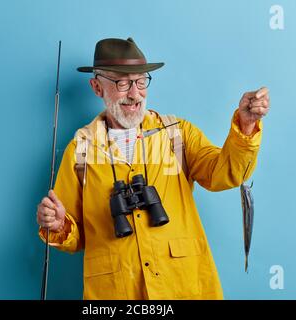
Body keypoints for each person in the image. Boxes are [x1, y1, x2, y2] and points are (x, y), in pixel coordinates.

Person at [36, 37, 270, 299]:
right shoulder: (80, 149)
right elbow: (74, 233)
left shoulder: (176, 135)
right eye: (122, 83)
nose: (134, 93)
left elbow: (227, 173)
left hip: (183, 288)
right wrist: (57, 225)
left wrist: (246, 127)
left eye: (140, 81)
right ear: (97, 86)